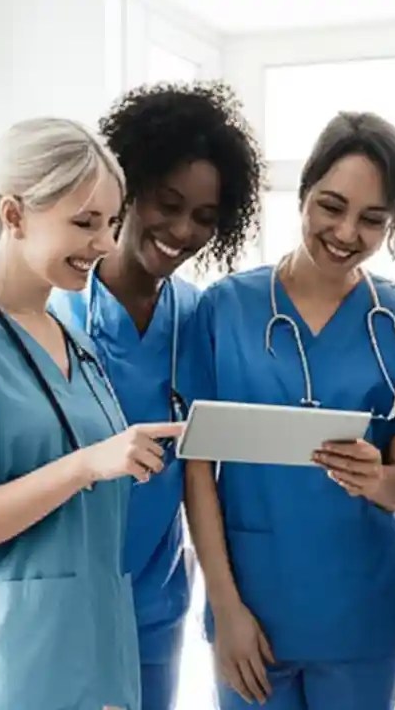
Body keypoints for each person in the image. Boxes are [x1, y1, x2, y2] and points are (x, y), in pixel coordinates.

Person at [0, 118, 183, 710]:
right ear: (14, 215)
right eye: (84, 222)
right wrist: (86, 466)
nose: (104, 243)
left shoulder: (77, 347)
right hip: (2, 668)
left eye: (110, 223)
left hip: (94, 667)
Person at [180, 111, 395, 710]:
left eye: (372, 219)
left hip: (360, 614)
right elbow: (197, 467)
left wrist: (377, 479)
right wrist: (225, 608)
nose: (347, 231)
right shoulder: (224, 310)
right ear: (302, 194)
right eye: (331, 206)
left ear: (392, 225)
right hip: (251, 609)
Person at [48, 80, 264, 710]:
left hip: (156, 600)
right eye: (166, 204)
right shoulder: (56, 315)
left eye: (204, 217)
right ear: (129, 189)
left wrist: (222, 603)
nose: (182, 231)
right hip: (64, 600)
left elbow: (202, 465)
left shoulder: (195, 318)